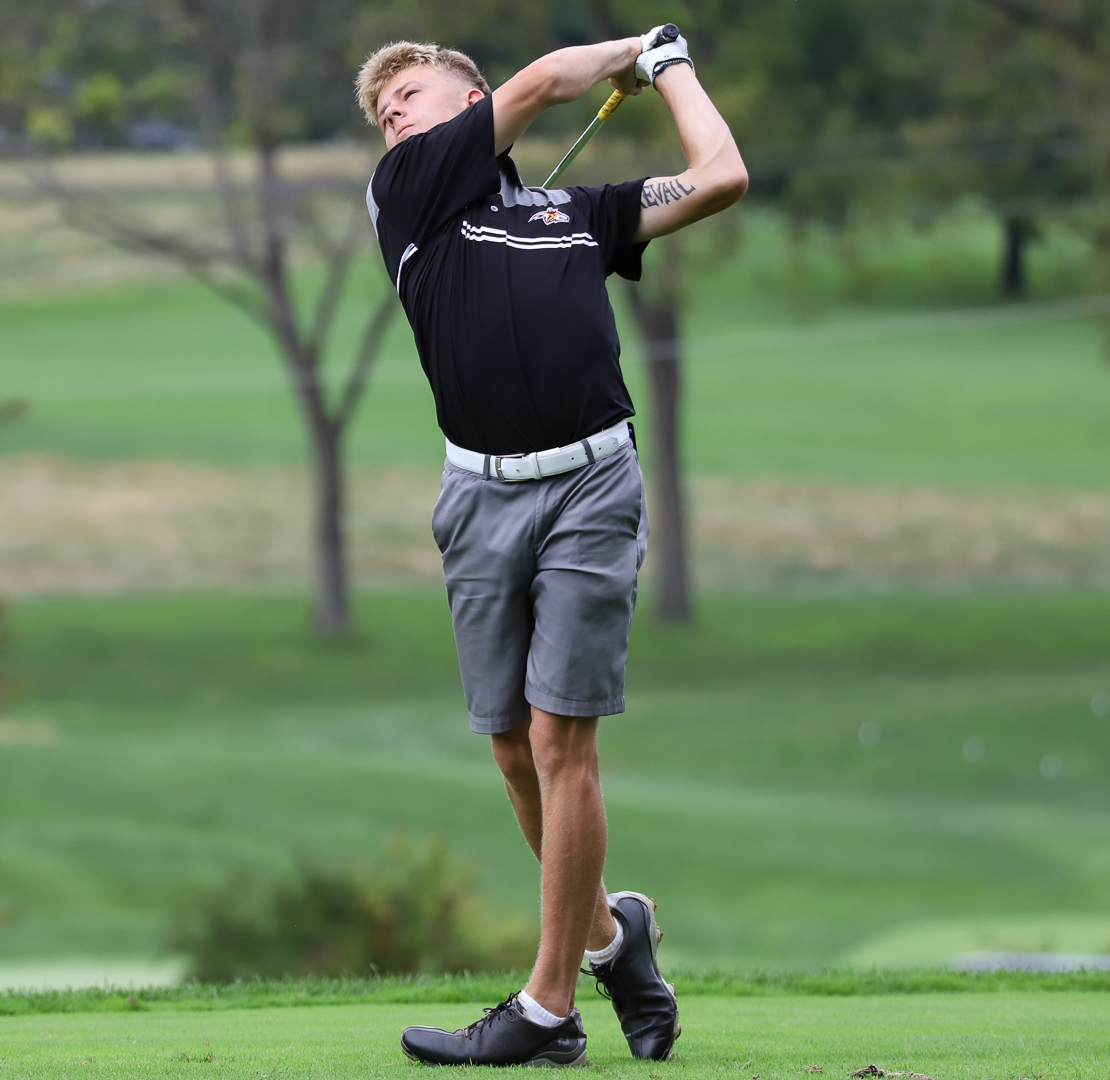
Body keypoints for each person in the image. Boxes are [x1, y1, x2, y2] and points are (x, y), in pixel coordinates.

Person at [355, 26, 747, 1068]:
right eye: (382, 112)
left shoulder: (578, 215)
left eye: (408, 94)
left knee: (559, 741)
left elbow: (722, 176)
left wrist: (670, 69)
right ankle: (616, 943)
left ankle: (548, 1008)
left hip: (591, 485)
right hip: (477, 497)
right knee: (510, 747)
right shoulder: (407, 197)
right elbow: (539, 82)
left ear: (466, 95)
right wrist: (632, 48)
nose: (392, 115)